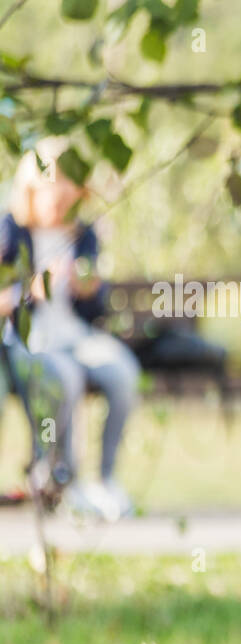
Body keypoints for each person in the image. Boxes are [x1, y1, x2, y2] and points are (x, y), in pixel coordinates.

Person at [1, 139, 139, 520]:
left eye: (70, 187)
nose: (63, 197)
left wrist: (90, 289)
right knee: (64, 378)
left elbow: (95, 307)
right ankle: (60, 478)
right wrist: (28, 292)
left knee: (123, 373)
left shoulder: (85, 235)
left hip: (75, 335)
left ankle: (108, 480)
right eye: (54, 186)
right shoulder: (10, 231)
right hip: (30, 339)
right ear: (32, 188)